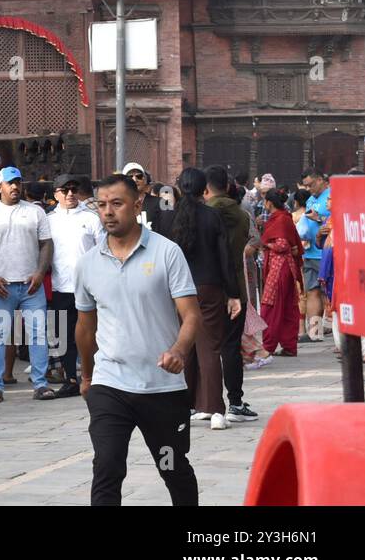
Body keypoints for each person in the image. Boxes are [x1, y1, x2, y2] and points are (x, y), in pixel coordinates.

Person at [76, 174, 202, 506]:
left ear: (136, 205)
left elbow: (191, 315)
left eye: (116, 204)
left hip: (162, 387)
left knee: (172, 468)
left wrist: (179, 350)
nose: (107, 212)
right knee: (107, 465)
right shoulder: (88, 264)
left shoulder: (167, 253)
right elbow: (85, 328)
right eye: (101, 205)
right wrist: (88, 376)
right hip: (110, 383)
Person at [158, 167, 241, 431]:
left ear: (180, 188)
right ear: (204, 189)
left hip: (177, 290)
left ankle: (189, 404)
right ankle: (216, 409)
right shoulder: (212, 216)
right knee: (210, 348)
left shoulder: (168, 217)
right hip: (208, 287)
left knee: (186, 347)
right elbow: (224, 257)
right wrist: (233, 293)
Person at [0, 167, 55, 403]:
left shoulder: (35, 212)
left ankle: (41, 384)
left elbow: (46, 244)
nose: (14, 187)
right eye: (9, 183)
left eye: (18, 182)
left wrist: (40, 273)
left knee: (38, 334)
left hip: (32, 285)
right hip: (2, 285)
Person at [204, 165, 257, 424]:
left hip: (208, 287)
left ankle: (205, 402)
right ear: (227, 186)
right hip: (237, 287)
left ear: (206, 188)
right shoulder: (242, 214)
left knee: (206, 346)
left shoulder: (203, 214)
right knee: (231, 347)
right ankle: (235, 401)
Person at [47, 174, 103, 398]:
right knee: (64, 336)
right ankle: (71, 378)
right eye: (64, 190)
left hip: (89, 287)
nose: (70, 194)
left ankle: (96, 377)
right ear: (55, 194)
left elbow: (102, 249)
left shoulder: (91, 218)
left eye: (73, 189)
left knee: (92, 334)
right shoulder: (48, 220)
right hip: (61, 286)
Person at [260, 188, 303, 359]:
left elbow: (282, 245)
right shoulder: (284, 218)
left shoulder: (280, 220)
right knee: (286, 308)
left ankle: (268, 346)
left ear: (269, 203)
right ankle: (289, 346)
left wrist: (266, 244)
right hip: (287, 268)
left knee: (270, 307)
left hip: (280, 268)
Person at [298, 170, 330, 342]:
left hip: (326, 252)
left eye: (312, 184)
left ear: (320, 179)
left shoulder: (331, 196)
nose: (309, 189)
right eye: (307, 186)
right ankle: (314, 332)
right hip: (310, 251)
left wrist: (319, 219)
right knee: (312, 292)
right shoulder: (311, 199)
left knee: (329, 293)